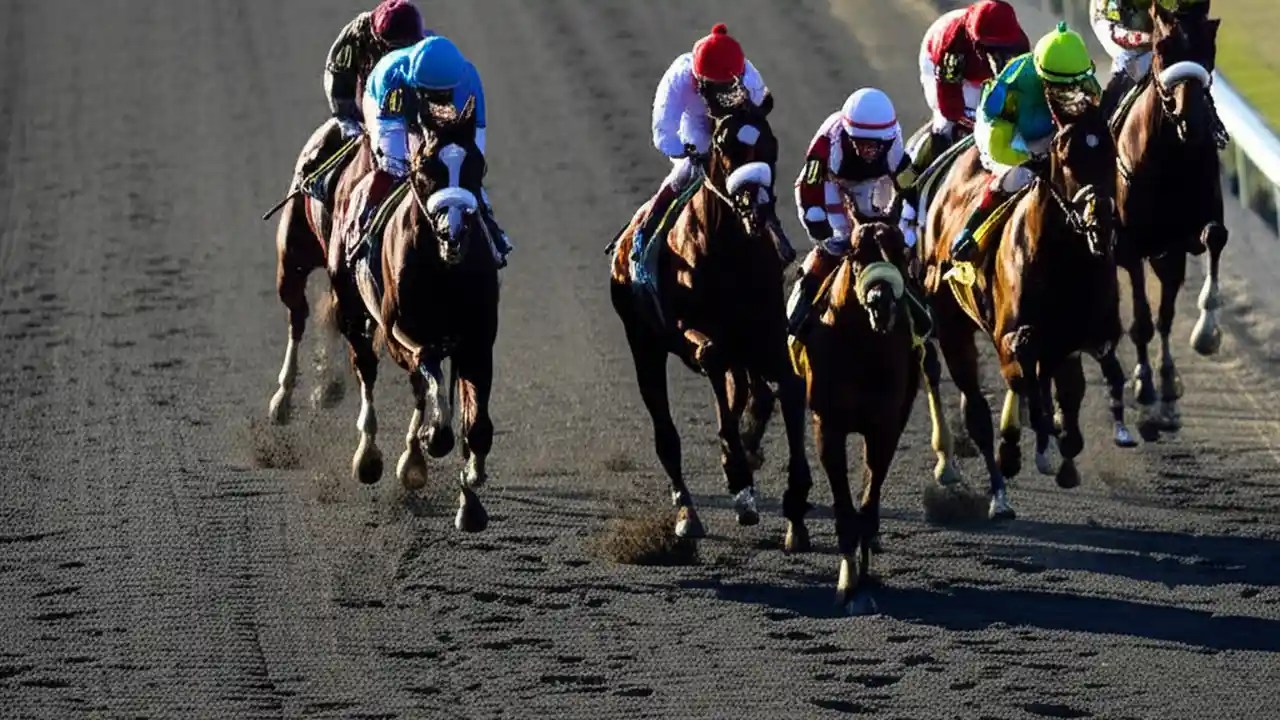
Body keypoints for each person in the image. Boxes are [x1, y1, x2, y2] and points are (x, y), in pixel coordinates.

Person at [951, 22, 1101, 262]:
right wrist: (1029, 160)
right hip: (1006, 130)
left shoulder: (1085, 83)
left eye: (1074, 84)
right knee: (1018, 176)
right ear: (1043, 78)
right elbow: (997, 140)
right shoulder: (1014, 84)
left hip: (1051, 129)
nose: (1070, 92)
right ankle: (970, 231)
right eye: (1061, 87)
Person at [633, 24, 770, 285]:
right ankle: (645, 236)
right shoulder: (678, 79)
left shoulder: (748, 76)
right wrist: (687, 154)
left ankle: (774, 236)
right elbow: (663, 132)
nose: (722, 95)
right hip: (694, 132)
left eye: (728, 87)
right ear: (698, 81)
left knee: (757, 180)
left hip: (732, 129)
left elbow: (762, 106)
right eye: (716, 89)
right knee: (683, 177)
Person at [359, 35, 512, 264]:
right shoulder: (393, 76)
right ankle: (367, 229)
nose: (438, 102)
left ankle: (492, 232)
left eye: (443, 95)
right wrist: (410, 167)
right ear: (416, 84)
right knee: (392, 170)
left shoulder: (469, 81)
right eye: (431, 94)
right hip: (388, 109)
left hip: (423, 111)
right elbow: (390, 137)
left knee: (467, 175)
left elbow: (475, 140)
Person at [787, 88, 915, 336]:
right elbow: (809, 186)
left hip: (870, 183)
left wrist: (911, 203)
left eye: (876, 145)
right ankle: (797, 313)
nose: (869, 151)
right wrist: (817, 221)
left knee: (888, 243)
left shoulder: (894, 138)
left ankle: (920, 313)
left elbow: (903, 174)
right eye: (862, 144)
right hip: (830, 185)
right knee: (837, 245)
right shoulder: (827, 143)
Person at [913, 1, 1029, 175]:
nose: (997, 56)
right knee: (946, 124)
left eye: (1003, 49)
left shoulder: (1019, 43)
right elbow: (950, 106)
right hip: (937, 60)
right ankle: (916, 172)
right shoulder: (953, 45)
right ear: (976, 42)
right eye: (990, 49)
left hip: (974, 64)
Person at [324, 0, 427, 139]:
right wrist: (348, 119)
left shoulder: (427, 46)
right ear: (376, 35)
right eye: (393, 47)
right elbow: (337, 75)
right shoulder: (356, 36)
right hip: (366, 102)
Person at [1091, 0, 1210, 115]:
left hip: (1158, 33)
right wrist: (1150, 39)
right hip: (1121, 34)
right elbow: (1114, 33)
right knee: (1128, 59)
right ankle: (1105, 116)